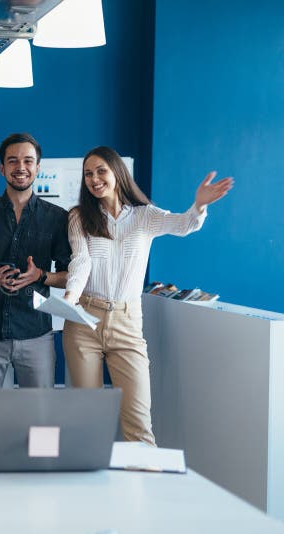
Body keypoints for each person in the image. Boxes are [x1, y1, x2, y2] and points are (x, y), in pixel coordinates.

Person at [63, 146, 233, 445]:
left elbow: (184, 225)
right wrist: (70, 296)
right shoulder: (79, 217)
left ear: (117, 172)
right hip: (84, 320)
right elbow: (81, 261)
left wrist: (199, 205)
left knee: (139, 423)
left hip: (127, 323)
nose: (94, 179)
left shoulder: (144, 216)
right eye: (88, 174)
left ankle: (143, 475)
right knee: (88, 421)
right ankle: (90, 475)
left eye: (101, 171)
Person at [0, 133, 71, 398]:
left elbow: (69, 276)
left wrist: (40, 275)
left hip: (37, 334)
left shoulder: (58, 217)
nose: (20, 167)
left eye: (28, 161)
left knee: (40, 415)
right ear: (2, 168)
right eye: (13, 161)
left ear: (37, 167)